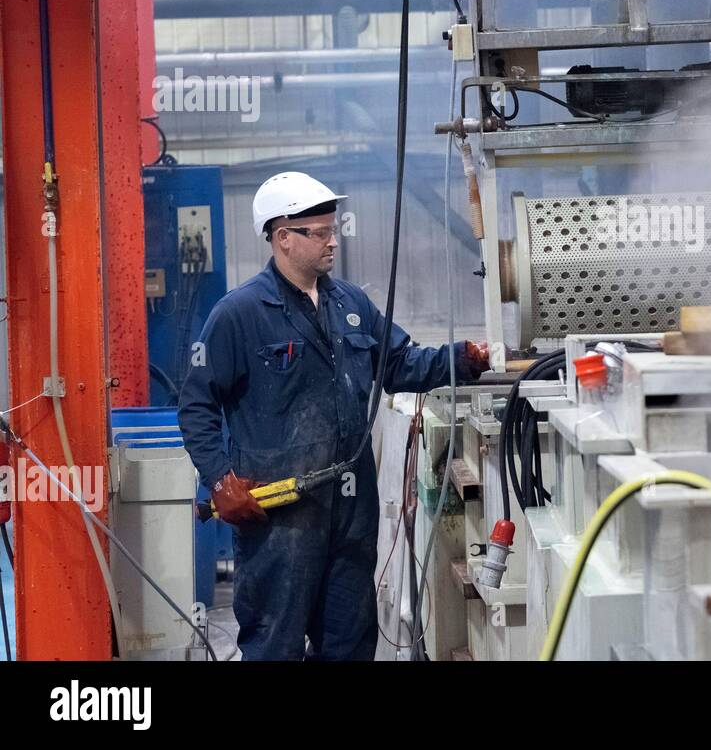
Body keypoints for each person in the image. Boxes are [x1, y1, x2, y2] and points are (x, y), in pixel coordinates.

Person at [179, 171, 488, 660]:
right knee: (274, 645)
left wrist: (469, 357)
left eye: (333, 228)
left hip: (351, 513)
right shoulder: (239, 313)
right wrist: (219, 480)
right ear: (283, 238)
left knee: (349, 644)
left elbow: (401, 364)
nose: (333, 241)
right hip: (278, 518)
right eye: (319, 232)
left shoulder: (352, 304)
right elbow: (196, 404)